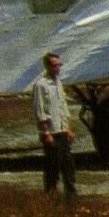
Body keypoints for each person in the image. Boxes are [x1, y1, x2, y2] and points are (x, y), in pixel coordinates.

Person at [32, 51, 77, 203]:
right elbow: (40, 110)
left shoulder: (58, 83)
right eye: (55, 65)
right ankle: (50, 194)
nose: (58, 68)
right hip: (51, 132)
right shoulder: (41, 85)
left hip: (62, 130)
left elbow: (63, 107)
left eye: (59, 65)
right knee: (53, 166)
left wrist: (69, 128)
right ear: (47, 66)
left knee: (68, 165)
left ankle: (71, 196)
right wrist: (46, 133)